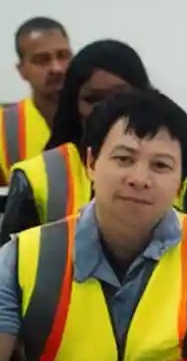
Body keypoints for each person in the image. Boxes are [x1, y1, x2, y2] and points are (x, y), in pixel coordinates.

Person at [0, 88, 187, 361]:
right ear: (91, 162)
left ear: (183, 180)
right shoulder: (22, 255)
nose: (139, 178)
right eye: (124, 158)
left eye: (161, 166)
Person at [0, 39, 152, 244]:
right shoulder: (36, 178)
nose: (107, 109)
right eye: (93, 100)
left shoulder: (182, 173)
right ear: (73, 105)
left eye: (120, 97)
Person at [0, 17, 71, 184]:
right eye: (42, 60)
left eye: (63, 56)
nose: (56, 68)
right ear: (22, 70)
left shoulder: (96, 118)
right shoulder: (4, 127)